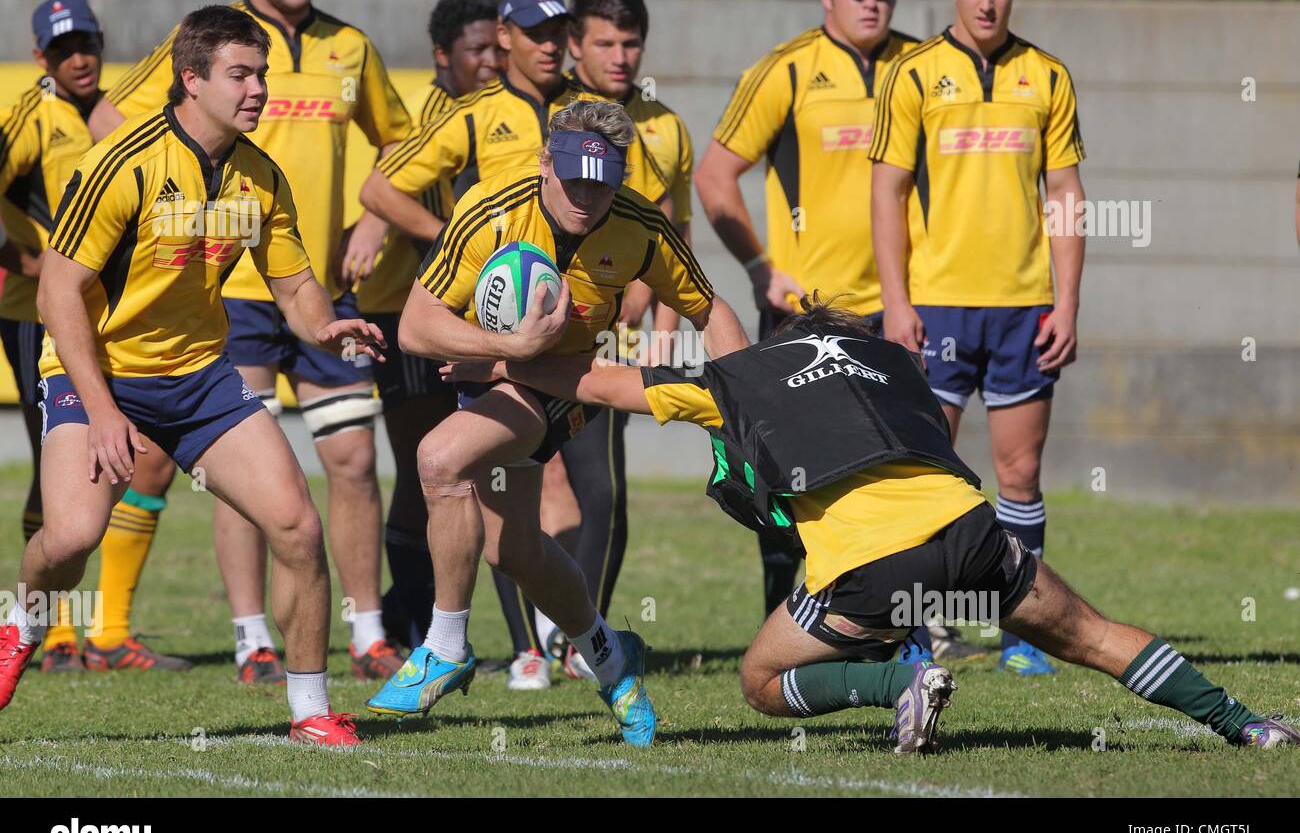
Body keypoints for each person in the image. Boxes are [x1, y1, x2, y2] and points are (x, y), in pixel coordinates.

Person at [446, 298, 1300, 753]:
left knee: (758, 677)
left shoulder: (739, 377)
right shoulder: (892, 365)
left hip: (872, 565)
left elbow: (597, 385)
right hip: (971, 530)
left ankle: (899, 685)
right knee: (1093, 633)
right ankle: (1248, 725)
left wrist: (495, 355)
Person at [0, 5, 384, 746]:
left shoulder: (259, 175)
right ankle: (21, 622)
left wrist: (324, 322)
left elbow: (295, 285)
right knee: (72, 538)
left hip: (199, 378)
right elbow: (56, 292)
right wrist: (107, 411)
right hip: (99, 370)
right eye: (240, 74)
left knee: (298, 526)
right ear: (191, 80)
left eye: (263, 74)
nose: (258, 89)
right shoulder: (122, 162)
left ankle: (309, 710)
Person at [90, 0, 412, 683]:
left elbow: (401, 142)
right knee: (241, 465)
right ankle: (251, 638)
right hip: (224, 293)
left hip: (315, 290)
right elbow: (112, 121)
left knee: (354, 458)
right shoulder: (208, 39)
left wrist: (371, 220)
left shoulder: (350, 47)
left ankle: (367, 632)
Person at [363, 100, 749, 748]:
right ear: (545, 162)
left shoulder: (640, 225)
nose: (587, 197)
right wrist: (508, 345)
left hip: (559, 388)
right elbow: (416, 325)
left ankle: (444, 644)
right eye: (574, 179)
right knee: (514, 551)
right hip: (496, 378)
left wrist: (748, 411)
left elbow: (710, 311)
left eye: (603, 183)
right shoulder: (491, 208)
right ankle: (613, 661)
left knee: (439, 459)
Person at [359, 0, 673, 689]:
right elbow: (380, 189)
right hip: (488, 344)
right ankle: (590, 649)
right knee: (513, 541)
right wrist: (463, 251)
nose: (549, 45)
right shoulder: (476, 114)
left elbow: (653, 214)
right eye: (534, 32)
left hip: (567, 348)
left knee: (528, 478)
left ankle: (458, 644)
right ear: (504, 35)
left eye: (559, 32)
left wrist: (641, 303)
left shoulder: (590, 116)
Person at [695, 0, 992, 665]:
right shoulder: (787, 69)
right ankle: (788, 605)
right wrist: (761, 266)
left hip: (901, 308)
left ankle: (915, 621)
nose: (871, 0)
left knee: (915, 465)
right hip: (807, 313)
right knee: (793, 473)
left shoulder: (921, 65)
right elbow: (714, 176)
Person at [870, 0, 1087, 674]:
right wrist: (896, 302)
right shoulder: (915, 74)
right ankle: (915, 626)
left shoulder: (1048, 76)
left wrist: (1068, 302)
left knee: (1018, 474)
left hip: (1025, 308)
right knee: (925, 474)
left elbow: (1065, 194)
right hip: (938, 307)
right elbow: (887, 192)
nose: (987, 4)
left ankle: (1026, 632)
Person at [507, 0, 699, 686]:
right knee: (521, 475)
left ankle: (578, 637)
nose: (621, 56)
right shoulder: (550, 119)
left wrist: (667, 321)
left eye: (632, 42)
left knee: (603, 489)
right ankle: (529, 647)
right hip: (532, 330)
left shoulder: (665, 123)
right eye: (604, 42)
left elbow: (674, 231)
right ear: (575, 46)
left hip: (615, 336)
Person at [0, 0, 190, 673]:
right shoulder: (31, 115)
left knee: (137, 461)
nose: (78, 58)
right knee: (61, 475)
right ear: (39, 58)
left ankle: (108, 632)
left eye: (87, 43)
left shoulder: (119, 115)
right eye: (62, 49)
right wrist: (26, 260)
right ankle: (49, 637)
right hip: (37, 315)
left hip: (115, 320)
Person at [353, 0, 501, 650]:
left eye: (500, 47)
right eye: (478, 50)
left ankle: (415, 621)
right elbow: (392, 190)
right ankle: (412, 626)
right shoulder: (442, 114)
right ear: (444, 56)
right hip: (405, 309)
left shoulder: (490, 109)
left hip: (451, 308)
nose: (492, 60)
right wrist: (450, 240)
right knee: (424, 471)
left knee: (455, 470)